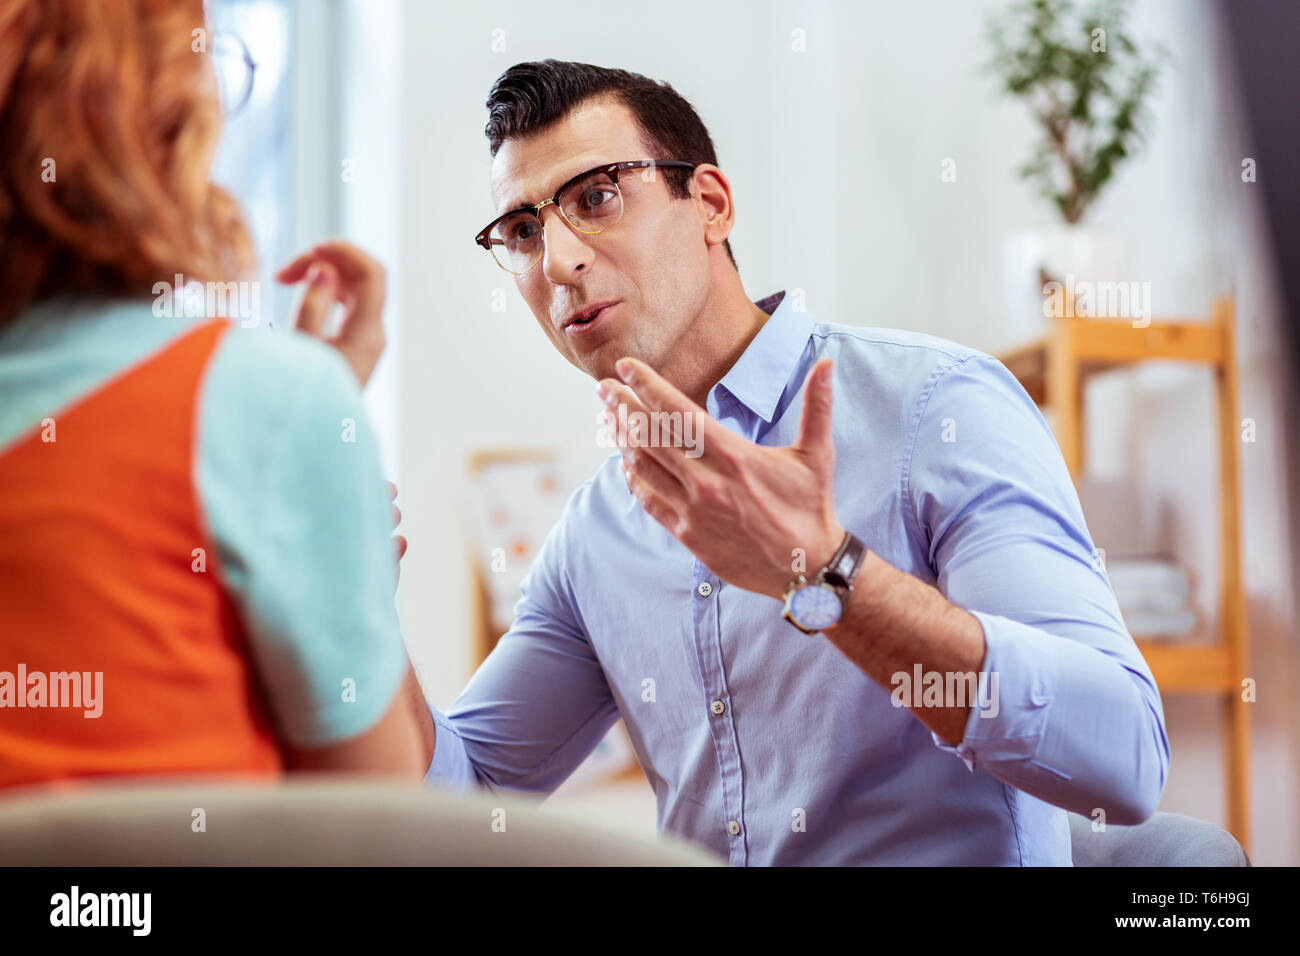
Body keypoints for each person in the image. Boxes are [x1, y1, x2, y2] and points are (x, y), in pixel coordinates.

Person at [417, 59, 1171, 865]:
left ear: (708, 204)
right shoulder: (594, 533)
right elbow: (458, 805)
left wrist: (823, 573)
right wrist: (349, 610)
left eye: (596, 198)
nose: (558, 260)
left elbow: (1121, 762)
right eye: (524, 232)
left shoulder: (937, 407)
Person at [0, 0, 424, 787]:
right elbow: (375, 821)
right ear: (167, 123)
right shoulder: (273, 402)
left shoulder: (271, 402)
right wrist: (298, 420)